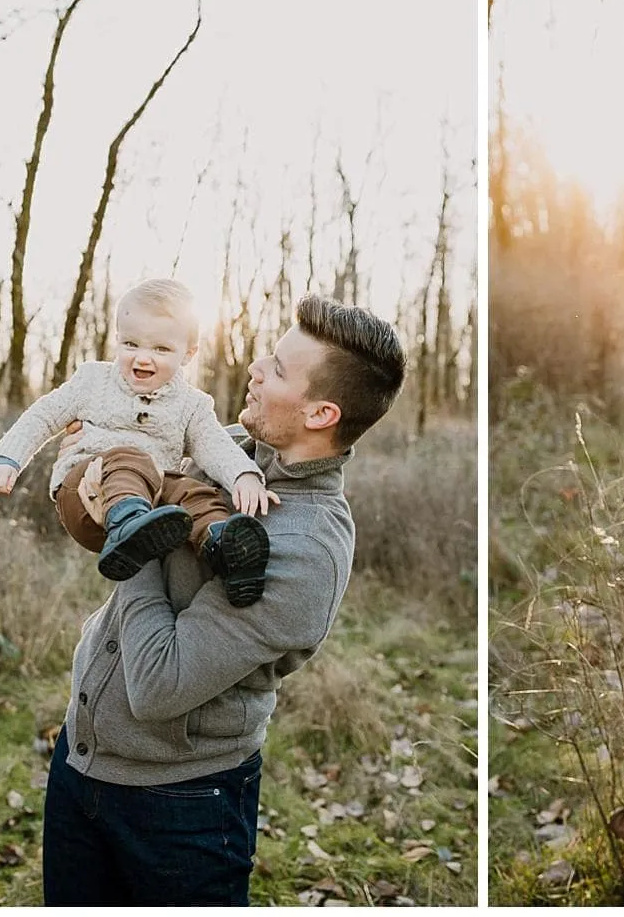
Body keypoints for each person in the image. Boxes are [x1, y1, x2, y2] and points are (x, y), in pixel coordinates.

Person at [41, 295, 406, 905]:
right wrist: (90, 463)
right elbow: (115, 473)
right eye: (269, 354)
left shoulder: (305, 549)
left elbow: (158, 686)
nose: (257, 368)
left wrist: (131, 537)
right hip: (80, 761)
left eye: (280, 369)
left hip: (180, 808)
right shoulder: (226, 449)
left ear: (321, 413)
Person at [0, 278, 277, 606]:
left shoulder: (191, 404)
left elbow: (214, 444)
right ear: (117, 341)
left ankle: (224, 546)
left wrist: (244, 475)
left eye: (161, 349)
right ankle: (127, 524)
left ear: (189, 354)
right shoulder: (92, 381)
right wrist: (9, 458)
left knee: (191, 490)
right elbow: (44, 415)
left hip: (153, 498)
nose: (142, 358)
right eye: (131, 344)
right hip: (87, 492)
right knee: (130, 459)